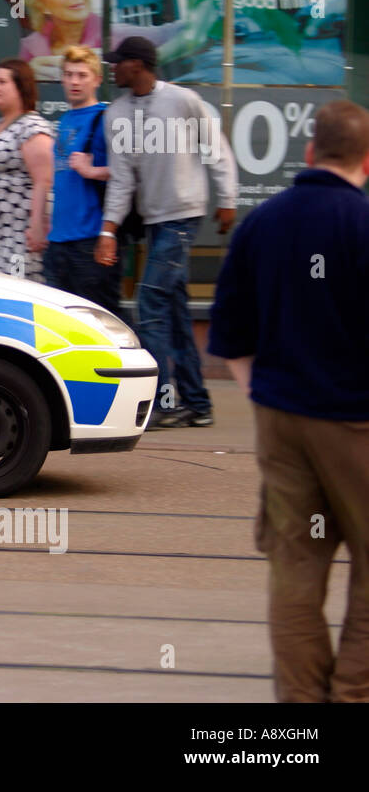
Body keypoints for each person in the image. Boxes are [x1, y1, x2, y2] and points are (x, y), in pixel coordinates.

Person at [207, 99, 369, 702]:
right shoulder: (362, 225)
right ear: (366, 160)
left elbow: (228, 333)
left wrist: (265, 398)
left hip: (281, 421)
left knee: (295, 568)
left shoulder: (260, 224)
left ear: (308, 152)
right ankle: (353, 692)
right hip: (355, 424)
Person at [94, 36, 238, 429]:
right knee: (173, 312)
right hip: (154, 221)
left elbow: (216, 148)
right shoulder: (117, 114)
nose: (112, 69)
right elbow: (122, 180)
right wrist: (108, 230)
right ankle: (198, 403)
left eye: (117, 63)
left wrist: (227, 199)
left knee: (151, 305)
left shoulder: (183, 101)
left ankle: (165, 401)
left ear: (137, 65)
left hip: (183, 216)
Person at [17, 0, 189, 82]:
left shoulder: (115, 36)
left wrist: (132, 64)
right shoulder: (27, 48)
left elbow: (183, 32)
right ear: (41, 3)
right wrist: (28, 75)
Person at [43, 45, 122, 316]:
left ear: (97, 79)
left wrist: (92, 171)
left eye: (82, 75)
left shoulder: (106, 117)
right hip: (59, 240)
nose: (74, 81)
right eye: (68, 75)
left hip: (90, 240)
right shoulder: (65, 119)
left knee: (102, 320)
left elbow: (131, 171)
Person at [0, 58, 54, 281]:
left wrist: (37, 226)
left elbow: (44, 180)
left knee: (15, 293)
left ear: (20, 87)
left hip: (16, 234)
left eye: (2, 82)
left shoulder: (33, 127)